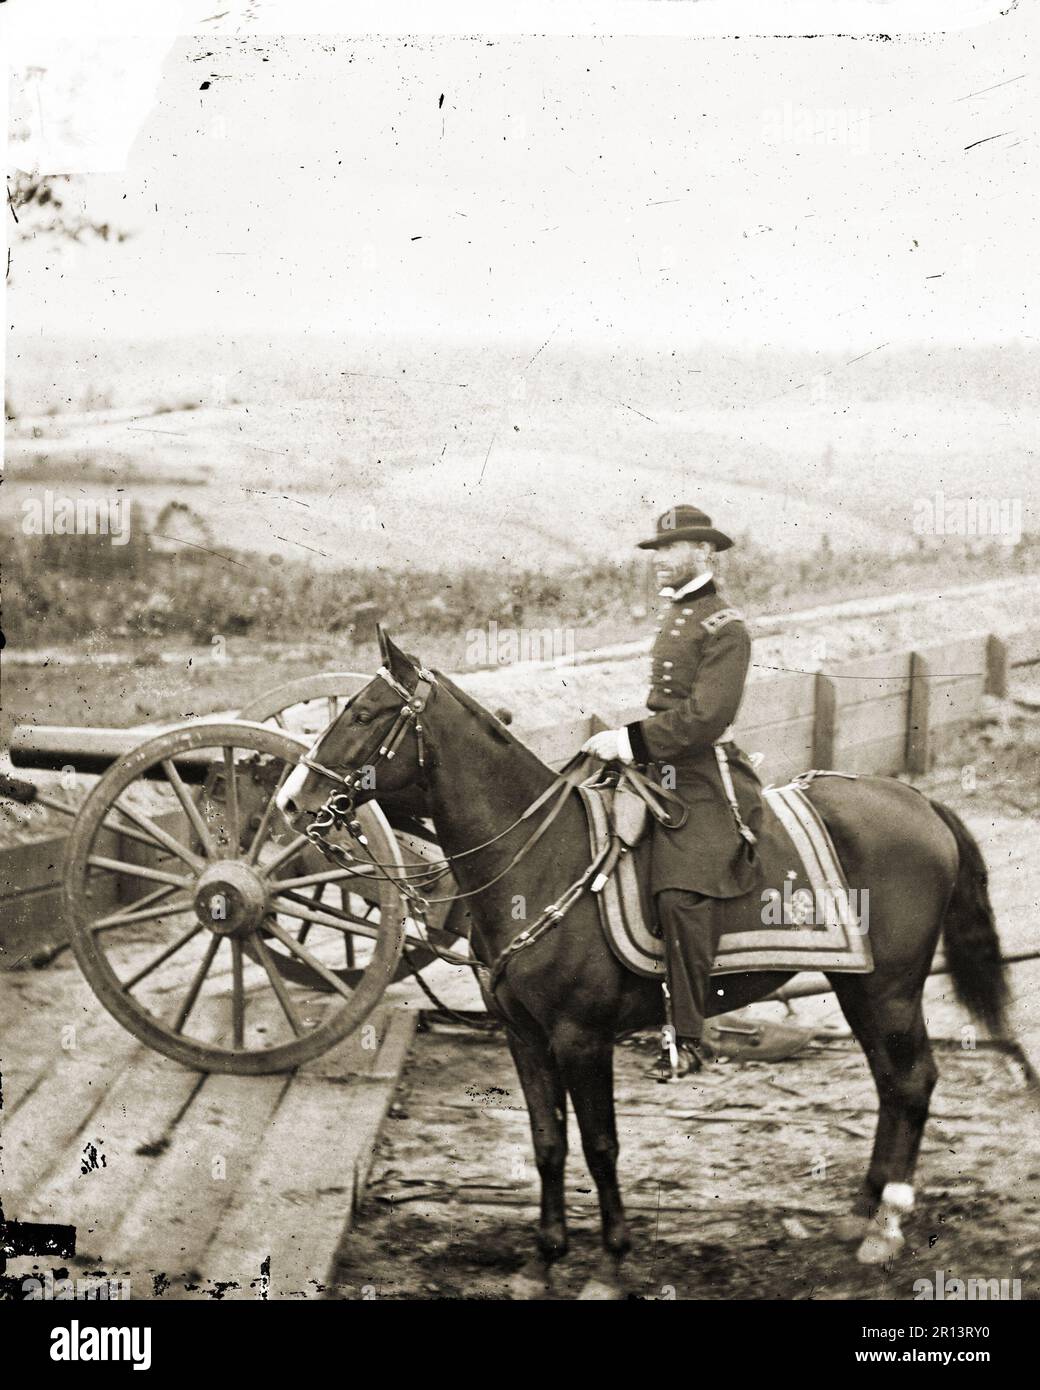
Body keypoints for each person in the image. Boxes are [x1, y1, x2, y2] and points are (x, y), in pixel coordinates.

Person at [581, 505, 763, 1078]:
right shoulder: (680, 613)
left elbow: (706, 717)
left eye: (670, 550)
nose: (659, 561)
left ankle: (688, 1036)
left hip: (703, 773)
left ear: (704, 552)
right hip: (660, 761)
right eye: (657, 551)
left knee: (682, 894)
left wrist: (631, 741)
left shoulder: (724, 625)